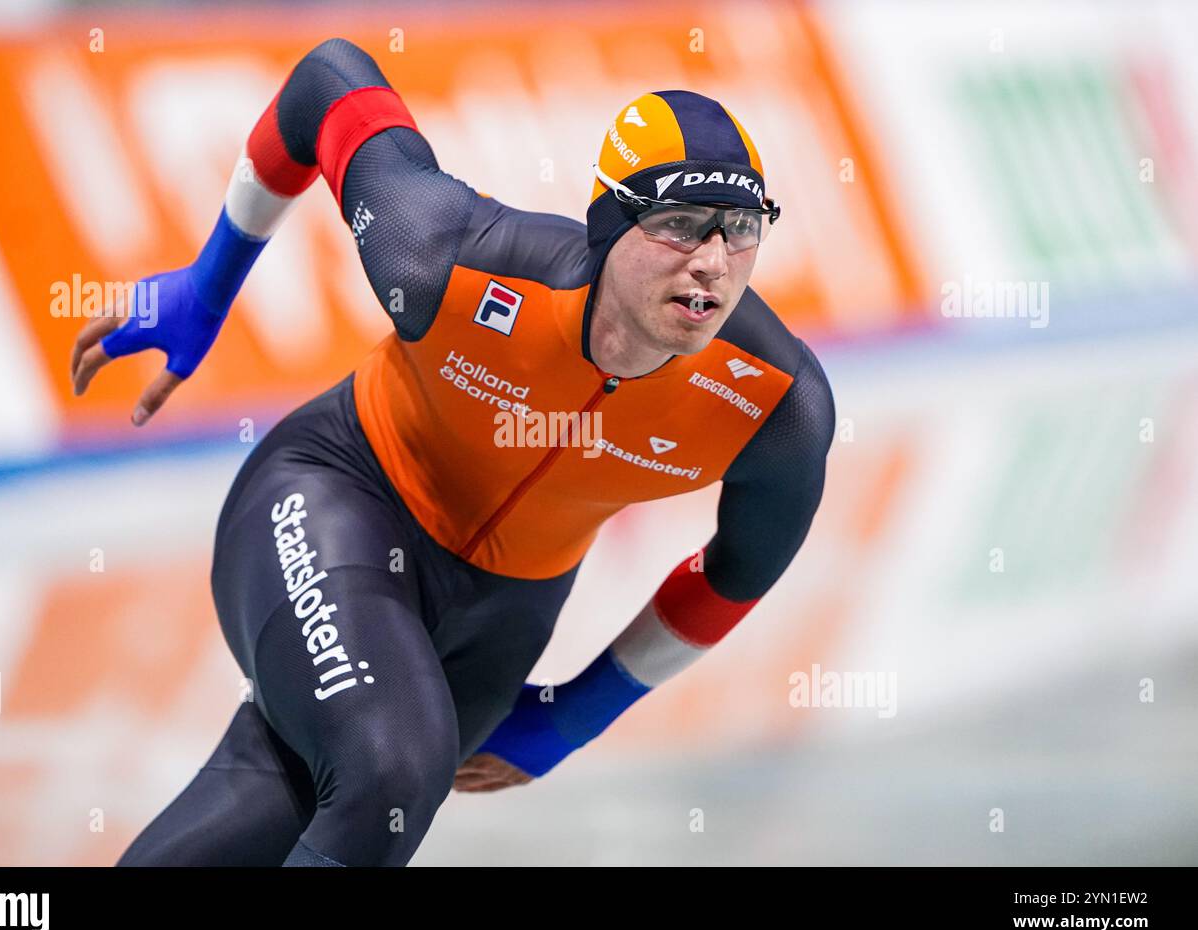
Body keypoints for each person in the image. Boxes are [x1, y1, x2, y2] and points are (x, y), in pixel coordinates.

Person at [70, 38, 835, 867]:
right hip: (341, 497)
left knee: (290, 794)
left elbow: (740, 569)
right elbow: (327, 81)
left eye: (741, 230)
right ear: (609, 222)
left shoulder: (776, 405)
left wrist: (578, 714)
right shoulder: (446, 258)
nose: (713, 263)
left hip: (501, 619)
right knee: (390, 764)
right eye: (680, 226)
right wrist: (207, 284)